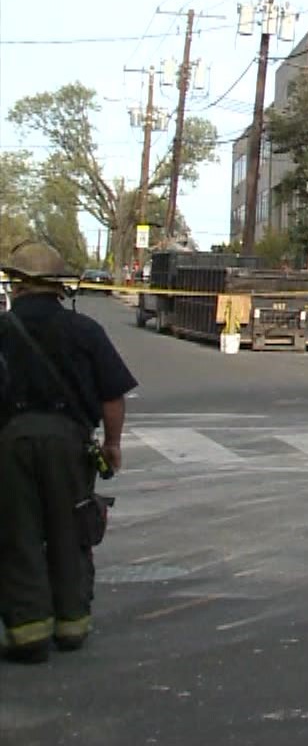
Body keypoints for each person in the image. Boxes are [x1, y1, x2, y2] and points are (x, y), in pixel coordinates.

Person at [0, 243, 136, 664]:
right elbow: (112, 395)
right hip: (70, 443)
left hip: (10, 444)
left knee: (17, 534)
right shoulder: (85, 330)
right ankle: (71, 624)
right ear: (60, 286)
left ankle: (28, 634)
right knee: (70, 529)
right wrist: (112, 444)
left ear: (18, 284)